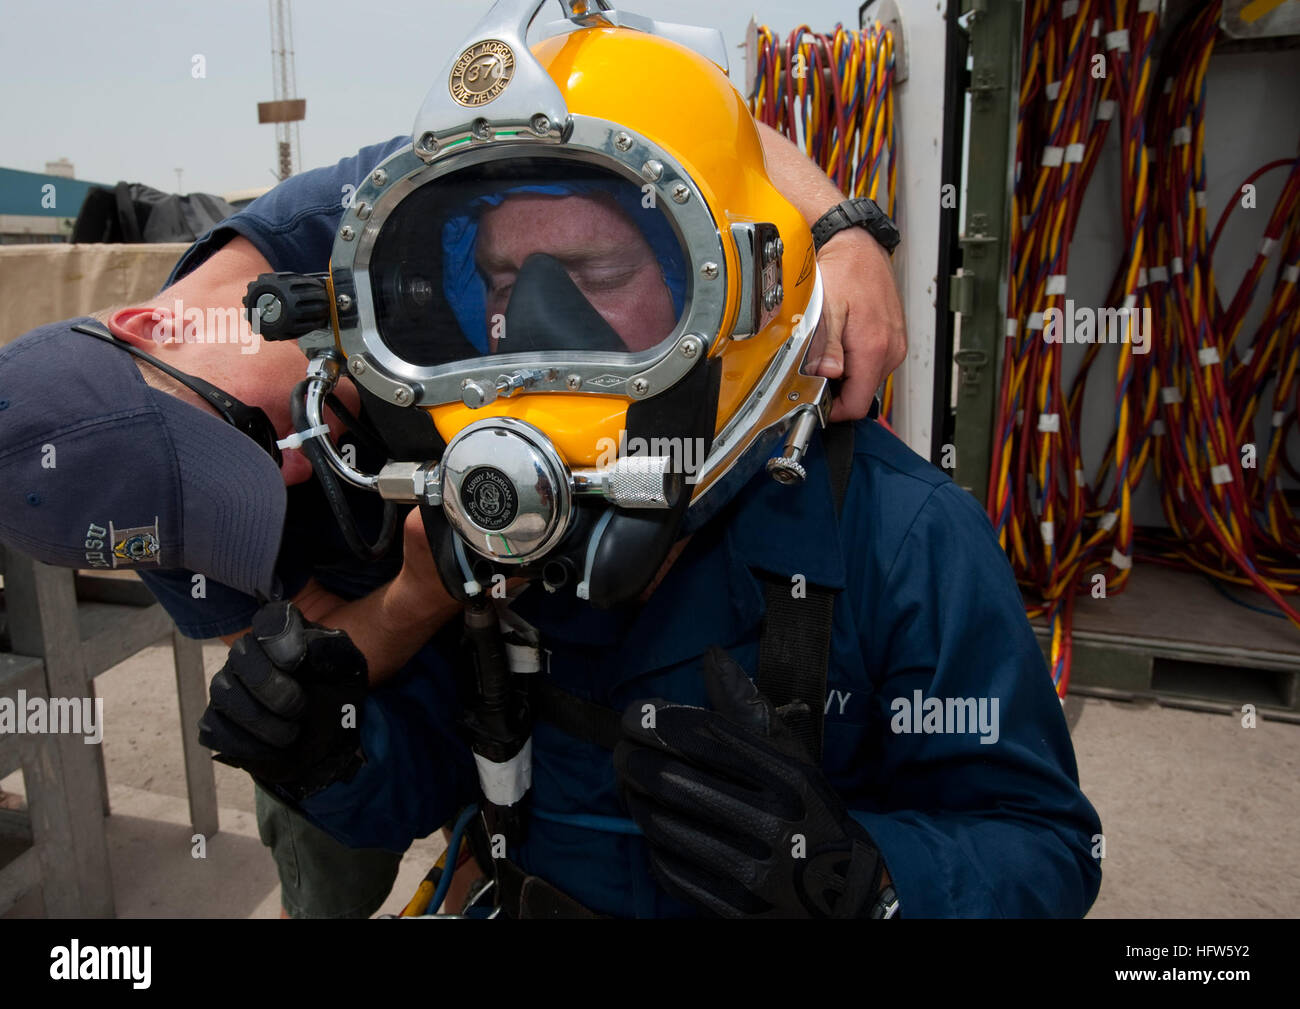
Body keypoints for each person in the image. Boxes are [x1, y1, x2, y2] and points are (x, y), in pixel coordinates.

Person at [188, 5, 1103, 918]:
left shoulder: (899, 535)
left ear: (738, 282)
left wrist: (868, 882)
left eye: (594, 274)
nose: (538, 323)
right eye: (508, 283)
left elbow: (1045, 842)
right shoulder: (495, 516)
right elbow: (435, 775)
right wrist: (330, 741)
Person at [0, 28, 908, 920]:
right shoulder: (137, 495)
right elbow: (303, 647)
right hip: (417, 637)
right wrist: (409, 605)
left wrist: (844, 233)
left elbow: (679, 131)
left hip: (553, 600)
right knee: (324, 843)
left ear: (151, 327)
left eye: (242, 437)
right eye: (212, 508)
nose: (278, 480)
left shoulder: (381, 201)